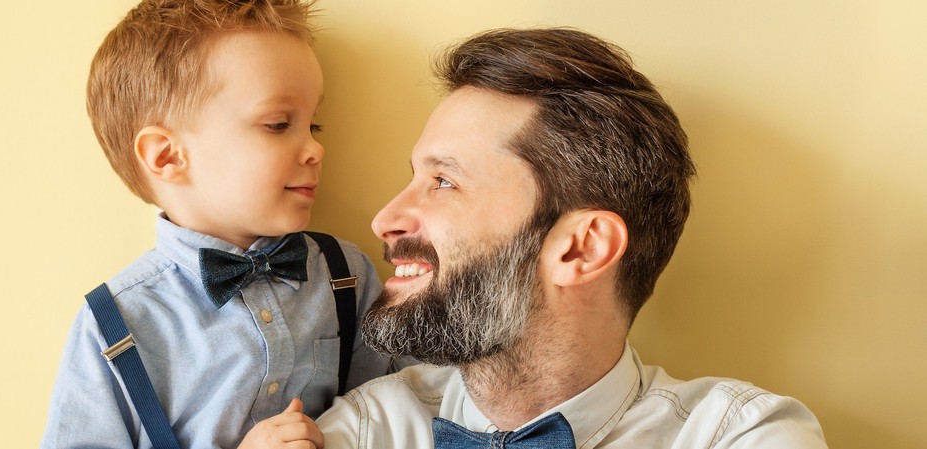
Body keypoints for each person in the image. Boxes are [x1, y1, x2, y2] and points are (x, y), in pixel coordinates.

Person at [317, 27, 829, 448]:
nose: (385, 219)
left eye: (444, 182)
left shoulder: (739, 435)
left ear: (582, 248)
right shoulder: (368, 428)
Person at [41, 1, 394, 448]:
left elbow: (402, 417)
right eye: (278, 124)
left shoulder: (347, 275)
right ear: (167, 156)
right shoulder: (117, 323)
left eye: (314, 125)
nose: (315, 150)